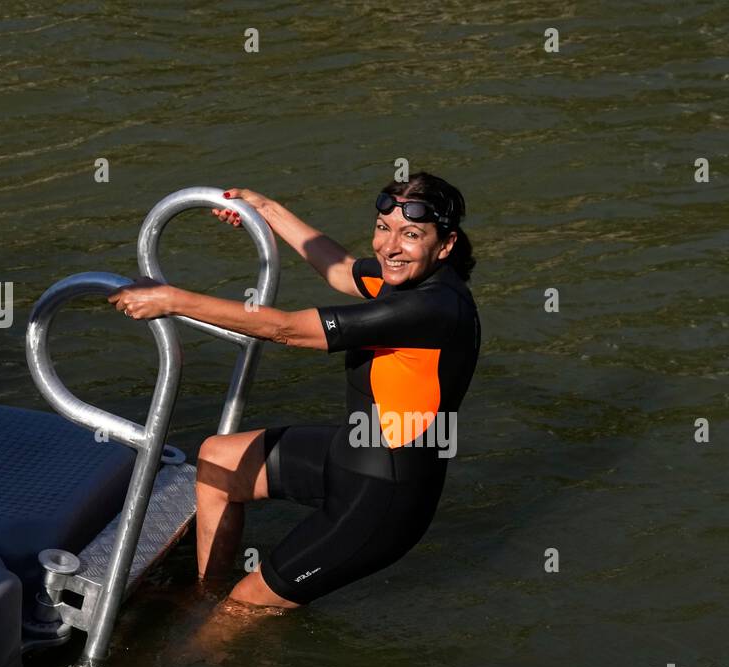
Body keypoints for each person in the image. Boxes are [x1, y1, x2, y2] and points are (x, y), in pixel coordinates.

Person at [108, 172, 480, 611]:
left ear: (446, 244)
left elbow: (285, 329)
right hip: (351, 455)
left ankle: (215, 640)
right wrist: (264, 209)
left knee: (245, 607)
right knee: (217, 459)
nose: (389, 247)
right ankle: (203, 597)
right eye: (383, 229)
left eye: (411, 234)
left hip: (384, 502)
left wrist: (171, 299)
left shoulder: (432, 308)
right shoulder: (405, 277)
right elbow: (340, 269)